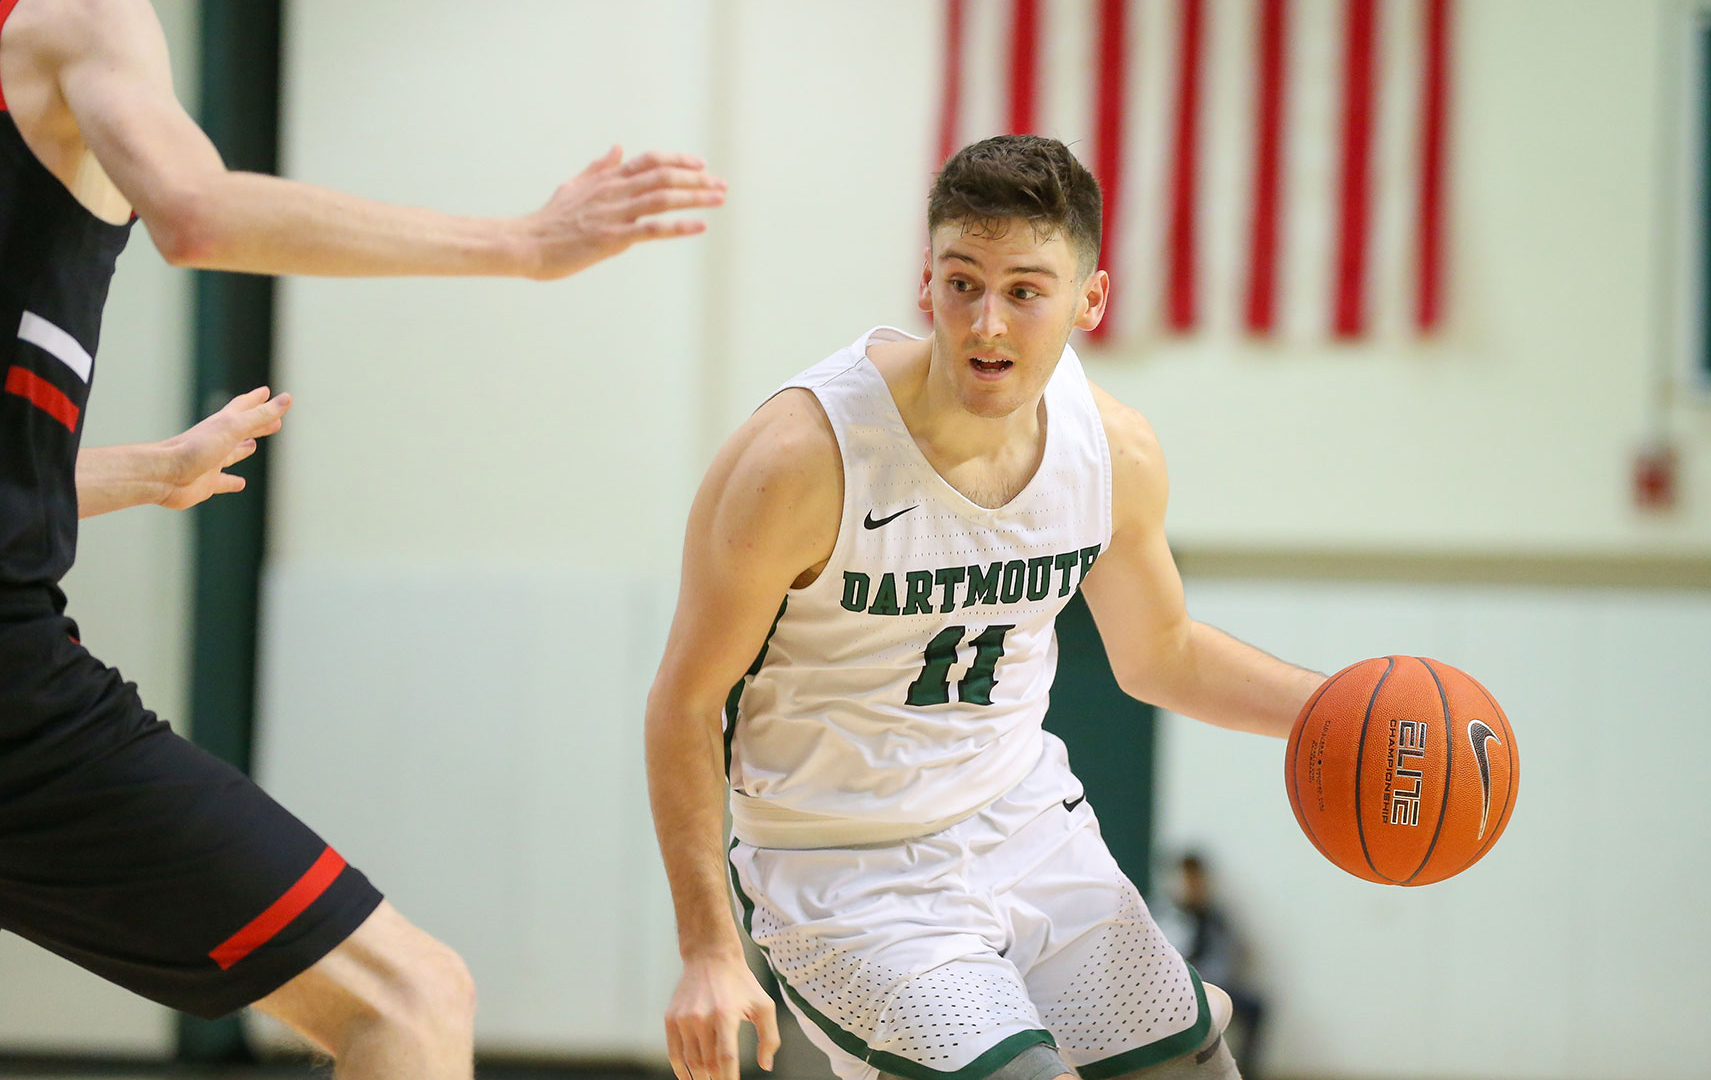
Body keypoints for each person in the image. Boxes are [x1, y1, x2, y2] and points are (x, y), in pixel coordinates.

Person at [0, 0, 723, 1075]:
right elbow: (196, 213)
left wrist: (150, 473)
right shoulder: (81, 17)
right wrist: (521, 243)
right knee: (410, 1001)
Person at [646, 133, 1325, 1080]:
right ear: (926, 284)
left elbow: (1159, 653)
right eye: (962, 283)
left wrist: (1334, 708)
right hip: (843, 868)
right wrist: (709, 951)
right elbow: (684, 703)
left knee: (1194, 1067)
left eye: (1024, 290)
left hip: (1025, 827)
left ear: (1090, 299)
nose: (987, 324)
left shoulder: (1112, 454)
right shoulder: (800, 463)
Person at [1166, 853, 1269, 1080]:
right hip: (1180, 990)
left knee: (1255, 1006)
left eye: (1197, 879)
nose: (1193, 885)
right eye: (1188, 879)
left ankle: (1245, 1072)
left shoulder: (1215, 916)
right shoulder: (1170, 915)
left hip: (1218, 984)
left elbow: (1232, 952)